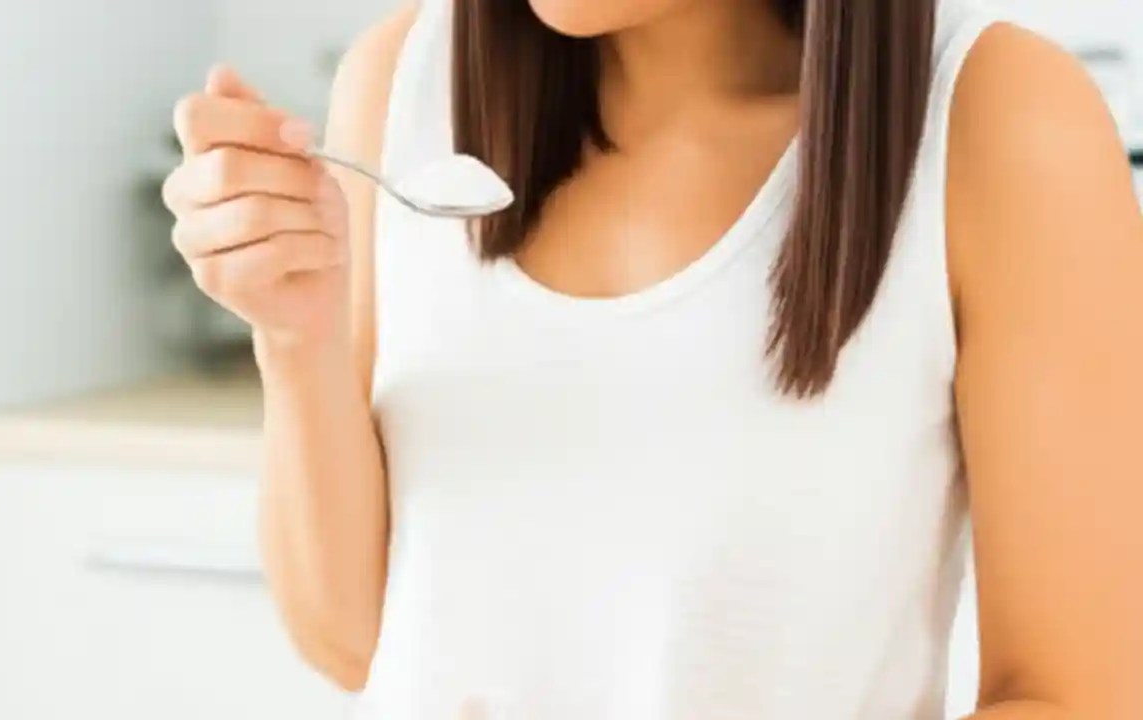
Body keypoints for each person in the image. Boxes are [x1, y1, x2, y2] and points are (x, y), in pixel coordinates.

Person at [161, 0, 1143, 717]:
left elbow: (1072, 696)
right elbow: (350, 642)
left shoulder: (996, 116)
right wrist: (295, 337)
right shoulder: (402, 81)